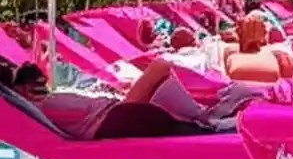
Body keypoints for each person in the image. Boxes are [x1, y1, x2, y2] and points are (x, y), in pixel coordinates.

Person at [1, 58, 258, 140]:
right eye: (33, 86)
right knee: (160, 66)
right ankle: (208, 118)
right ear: (19, 90)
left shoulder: (36, 106)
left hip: (114, 113)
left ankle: (207, 118)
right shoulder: (37, 108)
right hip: (113, 117)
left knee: (161, 74)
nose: (41, 88)